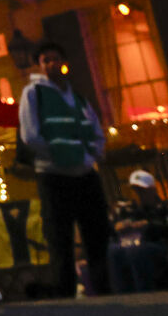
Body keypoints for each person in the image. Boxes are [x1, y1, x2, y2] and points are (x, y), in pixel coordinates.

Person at [18, 40, 111, 298]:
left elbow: (96, 131)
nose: (51, 64)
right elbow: (30, 135)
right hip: (54, 176)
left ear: (64, 62)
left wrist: (90, 155)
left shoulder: (79, 99)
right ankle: (65, 292)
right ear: (40, 65)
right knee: (60, 239)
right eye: (45, 60)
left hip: (84, 174)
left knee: (97, 233)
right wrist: (60, 154)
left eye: (55, 58)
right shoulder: (33, 93)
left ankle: (104, 289)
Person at [111, 170, 168, 292]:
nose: (139, 194)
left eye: (142, 190)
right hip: (133, 244)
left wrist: (148, 226)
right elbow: (117, 227)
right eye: (136, 191)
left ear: (152, 189)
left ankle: (144, 293)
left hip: (161, 245)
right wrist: (121, 226)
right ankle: (123, 294)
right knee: (113, 251)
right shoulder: (132, 211)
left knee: (137, 252)